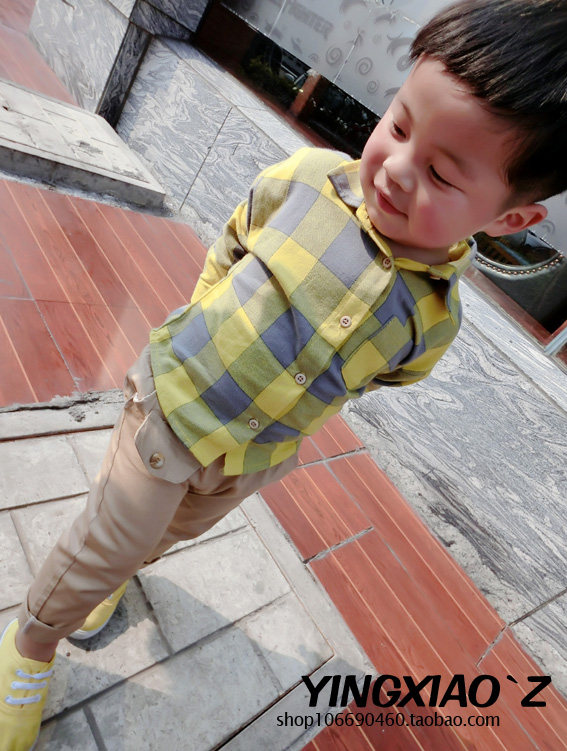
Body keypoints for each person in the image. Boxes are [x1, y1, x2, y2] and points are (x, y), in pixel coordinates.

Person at [2, 1, 566, 748]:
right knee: (104, 540)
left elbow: (384, 376)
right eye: (398, 126)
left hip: (247, 459)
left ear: (508, 220)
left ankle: (110, 574)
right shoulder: (308, 182)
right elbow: (237, 238)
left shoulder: (432, 319)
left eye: (439, 173)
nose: (397, 170)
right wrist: (202, 326)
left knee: (157, 536)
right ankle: (29, 645)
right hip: (171, 407)